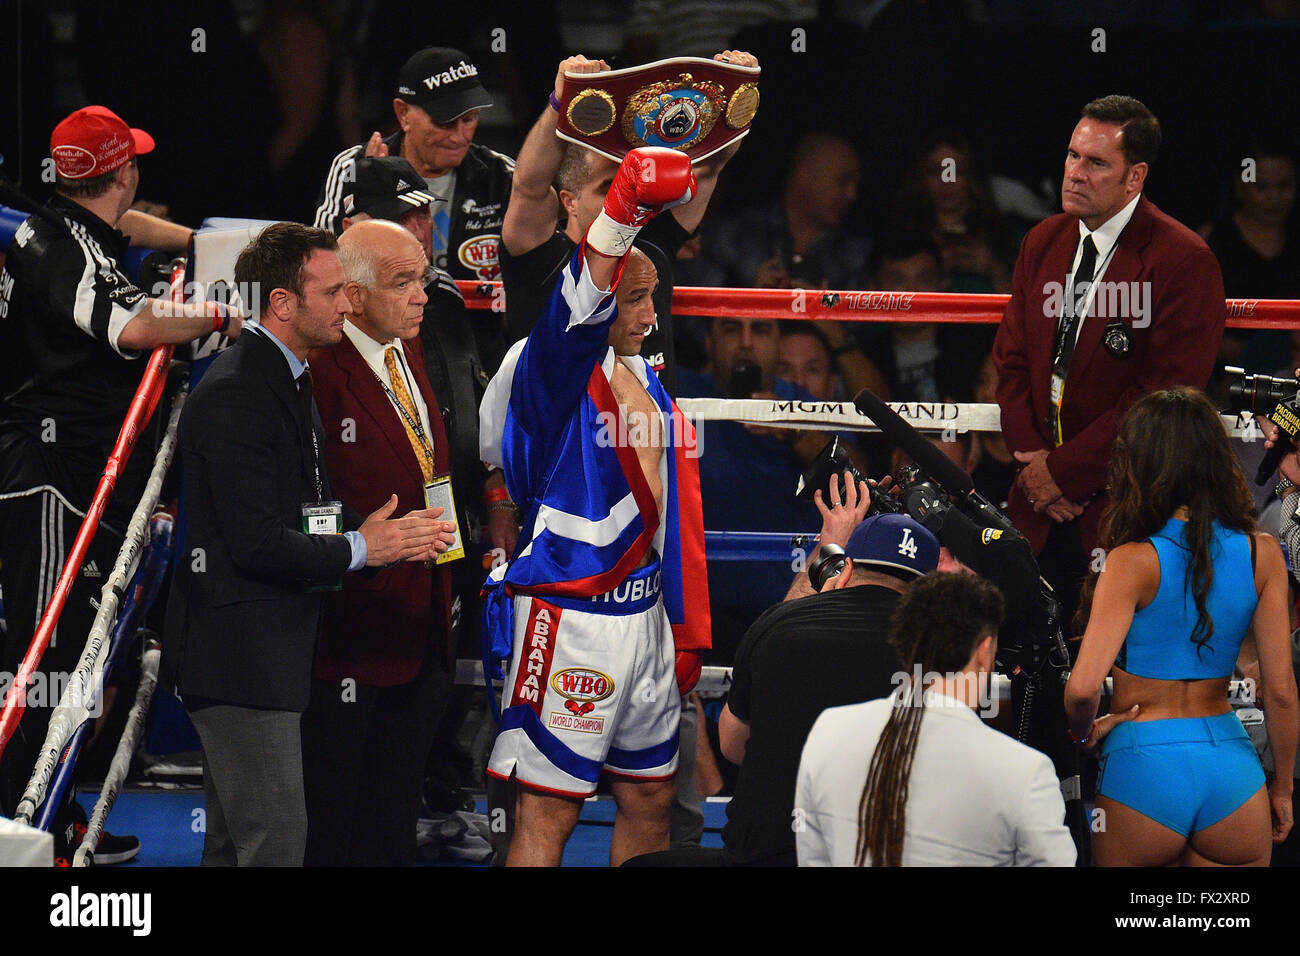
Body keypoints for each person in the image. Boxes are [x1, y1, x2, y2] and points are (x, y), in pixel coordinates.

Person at [163, 222, 455, 866]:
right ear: (283, 304)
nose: (347, 304)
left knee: (237, 845)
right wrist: (361, 549)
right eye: (332, 293)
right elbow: (257, 542)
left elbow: (302, 508)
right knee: (274, 844)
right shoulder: (241, 387)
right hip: (244, 660)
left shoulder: (285, 377)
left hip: (269, 654)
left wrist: (376, 533)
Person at [0, 105, 240, 864]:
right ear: (126, 170)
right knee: (39, 656)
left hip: (84, 471)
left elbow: (125, 231)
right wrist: (218, 312)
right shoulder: (59, 251)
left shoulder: (65, 227)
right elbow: (132, 327)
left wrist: (200, 243)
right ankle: (22, 821)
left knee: (82, 652)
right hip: (48, 473)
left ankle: (51, 811)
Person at [477, 147, 710, 866]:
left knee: (650, 798)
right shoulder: (549, 364)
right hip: (571, 612)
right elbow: (583, 292)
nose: (648, 314)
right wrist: (620, 211)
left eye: (652, 297)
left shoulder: (647, 376)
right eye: (634, 299)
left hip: (643, 614)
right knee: (549, 813)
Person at [992, 94, 1226, 625]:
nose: (1076, 173)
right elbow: (1011, 359)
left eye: (1097, 163)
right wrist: (1035, 465)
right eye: (1074, 156)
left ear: (1134, 176)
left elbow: (1162, 396)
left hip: (1129, 509)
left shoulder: (1183, 261)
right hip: (1039, 507)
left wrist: (1064, 474)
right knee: (1029, 671)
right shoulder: (1042, 241)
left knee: (1119, 679)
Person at [1065, 387, 1298, 867]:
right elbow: (1280, 692)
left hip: (1142, 769)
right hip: (1233, 775)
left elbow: (1083, 690)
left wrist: (1084, 732)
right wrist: (1283, 789)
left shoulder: (1129, 562)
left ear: (1140, 463)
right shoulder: (1262, 554)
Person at [298, 220, 458, 865]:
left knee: (393, 823)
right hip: (349, 633)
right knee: (334, 823)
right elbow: (305, 506)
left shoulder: (405, 348)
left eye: (423, 277)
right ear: (354, 295)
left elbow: (430, 471)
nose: (423, 294)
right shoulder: (317, 371)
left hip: (423, 622)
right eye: (404, 282)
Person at [500, 53, 753, 395]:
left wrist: (732, 91)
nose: (625, 195)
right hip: (566, 441)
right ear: (569, 202)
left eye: (630, 184)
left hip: (650, 435)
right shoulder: (540, 259)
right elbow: (529, 187)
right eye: (608, 187)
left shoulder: (651, 243)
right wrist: (560, 103)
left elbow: (712, 164)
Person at [795, 572, 1076, 866]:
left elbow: (813, 858)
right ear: (985, 650)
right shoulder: (1026, 772)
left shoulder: (828, 731)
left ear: (903, 644)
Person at [716, 507, 940, 866]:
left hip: (766, 851)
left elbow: (732, 744)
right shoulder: (942, 651)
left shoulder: (778, 624)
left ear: (846, 569)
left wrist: (827, 551)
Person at [312, 47, 514, 291]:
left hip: (479, 326)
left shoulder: (502, 175)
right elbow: (322, 272)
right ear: (403, 113)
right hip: (384, 324)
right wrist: (373, 196)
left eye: (469, 119)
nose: (459, 137)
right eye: (445, 122)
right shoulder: (353, 168)